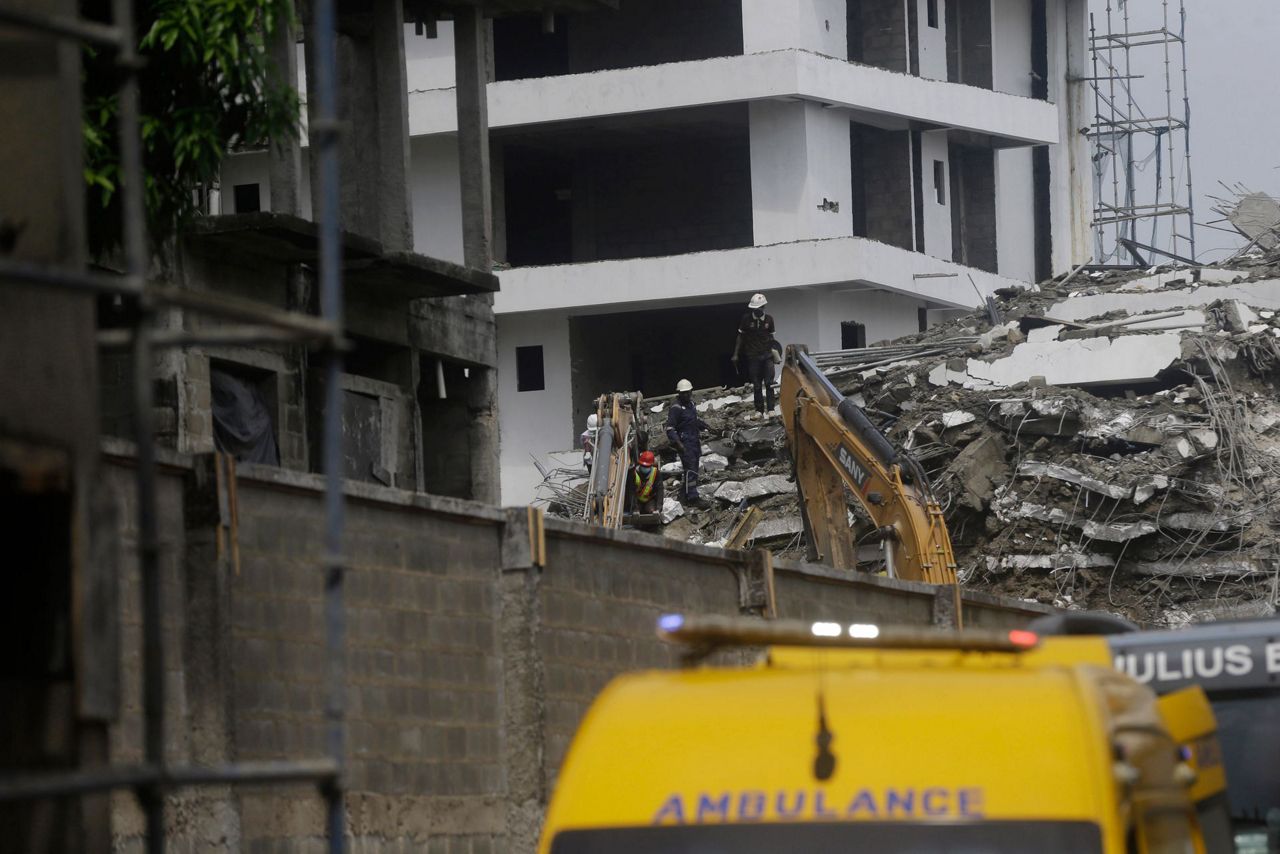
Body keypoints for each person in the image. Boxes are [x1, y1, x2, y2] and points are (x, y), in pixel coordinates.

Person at [731, 293, 779, 419]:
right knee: (757, 385)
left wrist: (776, 354)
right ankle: (759, 410)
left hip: (767, 355)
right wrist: (735, 354)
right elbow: (740, 337)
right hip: (753, 356)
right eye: (754, 309)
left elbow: (772, 337)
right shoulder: (746, 319)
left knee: (769, 383)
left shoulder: (769, 319)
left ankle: (771, 409)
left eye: (759, 309)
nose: (757, 311)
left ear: (763, 307)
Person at [665, 379, 709, 507]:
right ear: (679, 393)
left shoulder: (691, 405)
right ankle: (693, 498)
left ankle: (684, 496)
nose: (686, 395)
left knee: (694, 469)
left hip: (694, 441)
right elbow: (670, 429)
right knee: (690, 470)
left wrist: (707, 426)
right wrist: (678, 443)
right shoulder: (676, 408)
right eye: (683, 393)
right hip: (685, 443)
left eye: (688, 392)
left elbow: (694, 421)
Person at [626, 450, 664, 518]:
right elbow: (631, 492)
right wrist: (635, 508)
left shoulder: (656, 473)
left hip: (650, 499)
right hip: (637, 500)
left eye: (647, 466)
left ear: (651, 465)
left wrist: (658, 508)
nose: (645, 467)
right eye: (643, 465)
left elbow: (660, 491)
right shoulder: (633, 473)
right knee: (636, 513)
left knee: (651, 510)